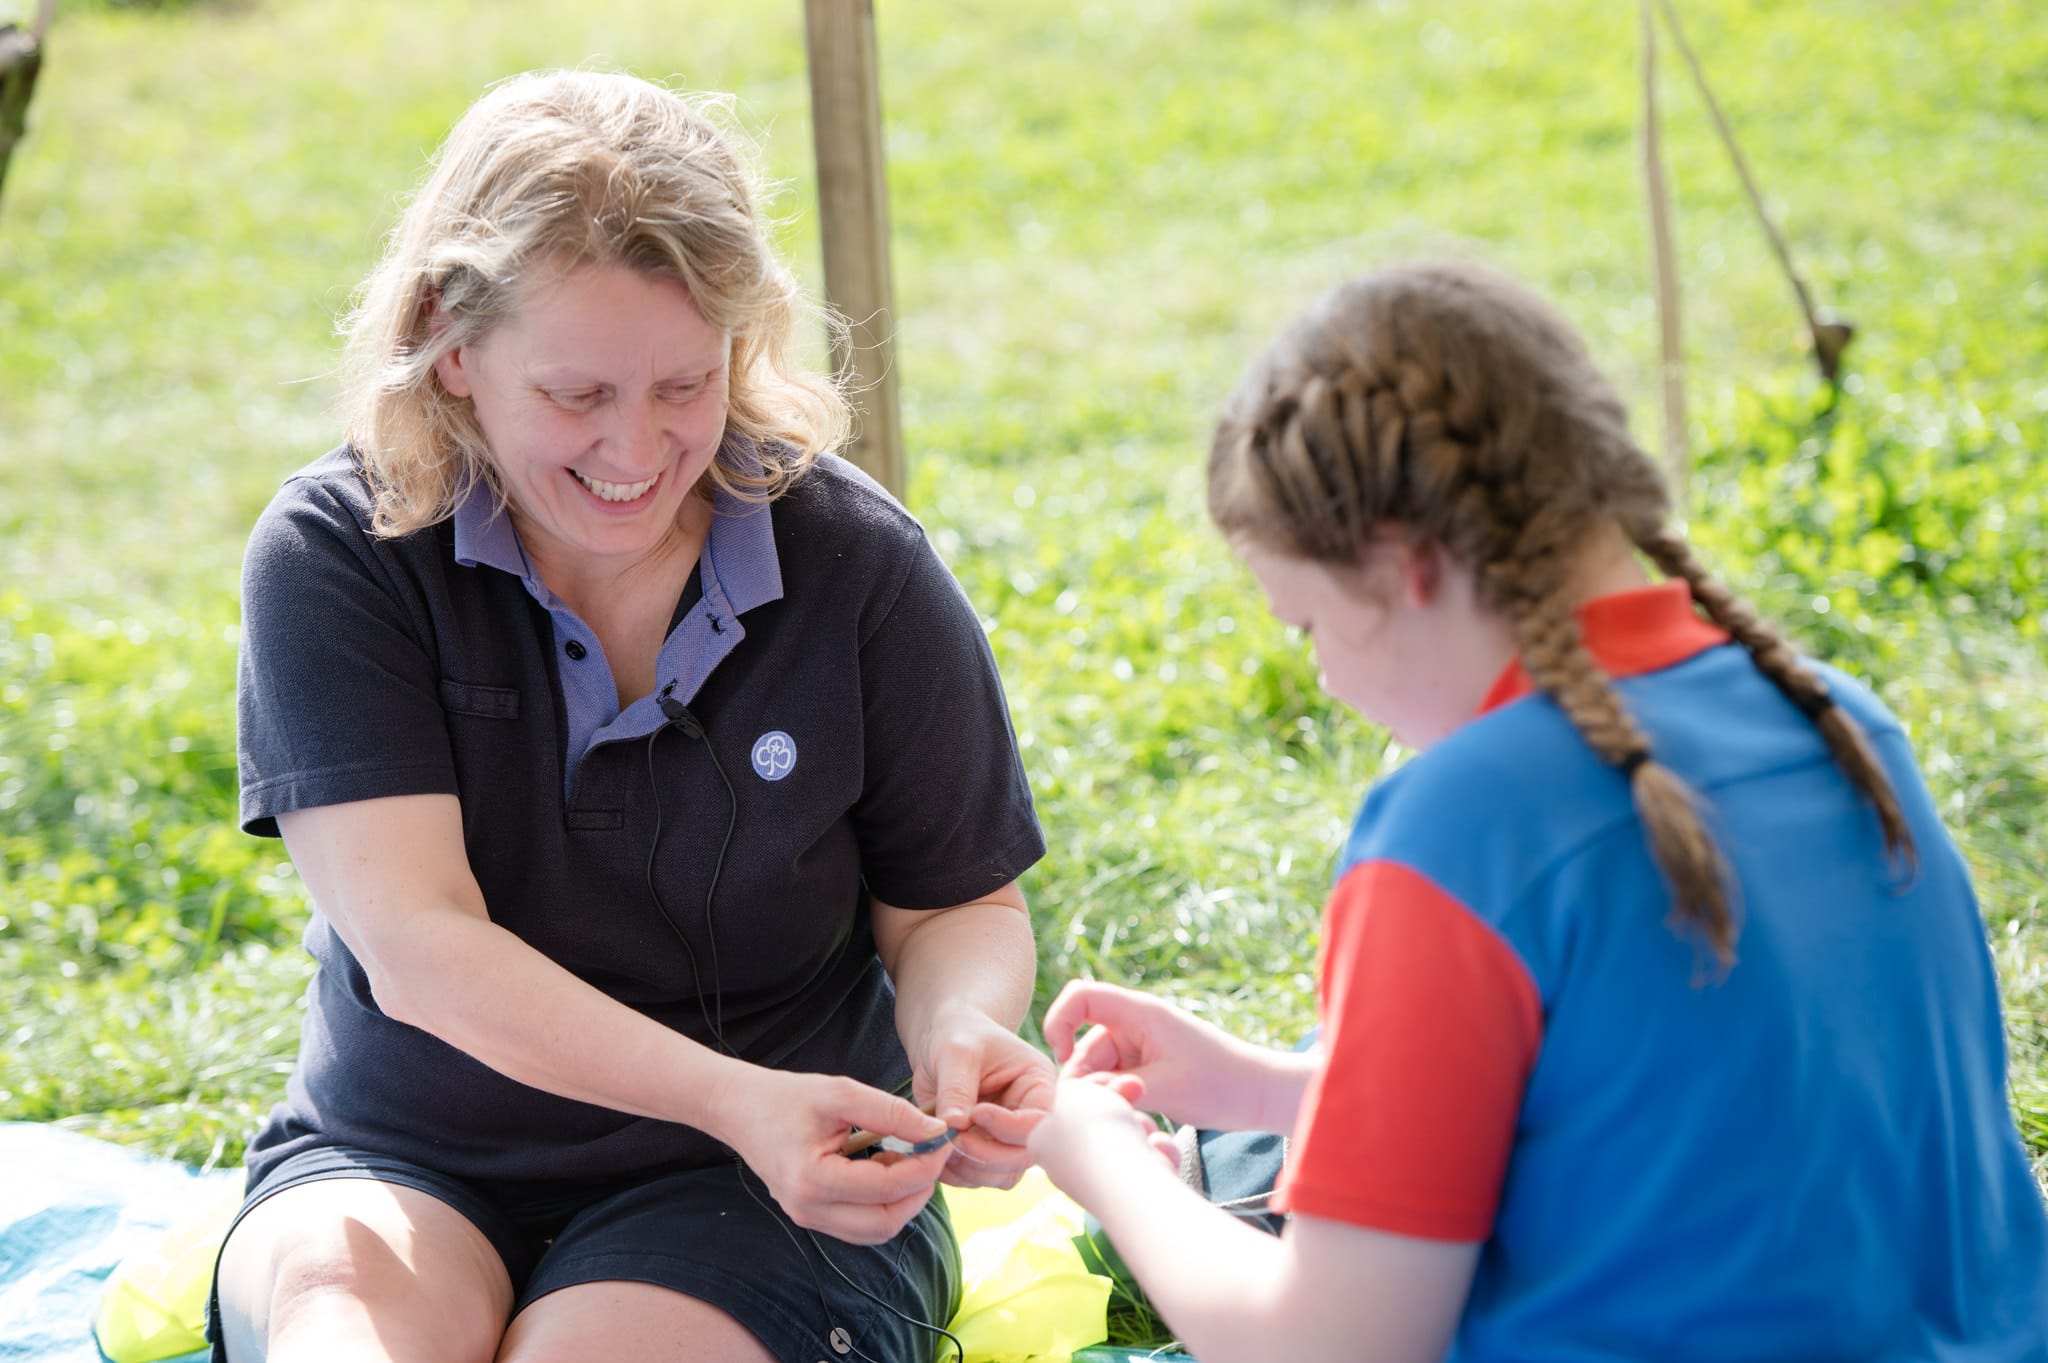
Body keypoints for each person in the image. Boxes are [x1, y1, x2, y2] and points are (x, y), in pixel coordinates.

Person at [1025, 260, 2048, 1361]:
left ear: (1405, 565)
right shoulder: (1841, 721)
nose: (1319, 678)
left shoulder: (1458, 833)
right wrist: (1268, 1087)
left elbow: (1328, 1345)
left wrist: (1104, 1163)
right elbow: (1676, 1100)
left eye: (1307, 628)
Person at [216, 70, 1052, 1363]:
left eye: (684, 384)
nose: (636, 447)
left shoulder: (857, 565)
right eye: (576, 394)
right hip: (402, 1149)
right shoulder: (344, 552)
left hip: (775, 1172)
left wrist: (958, 1030)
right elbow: (421, 944)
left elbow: (954, 906)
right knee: (347, 1323)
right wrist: (739, 1097)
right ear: (451, 346)